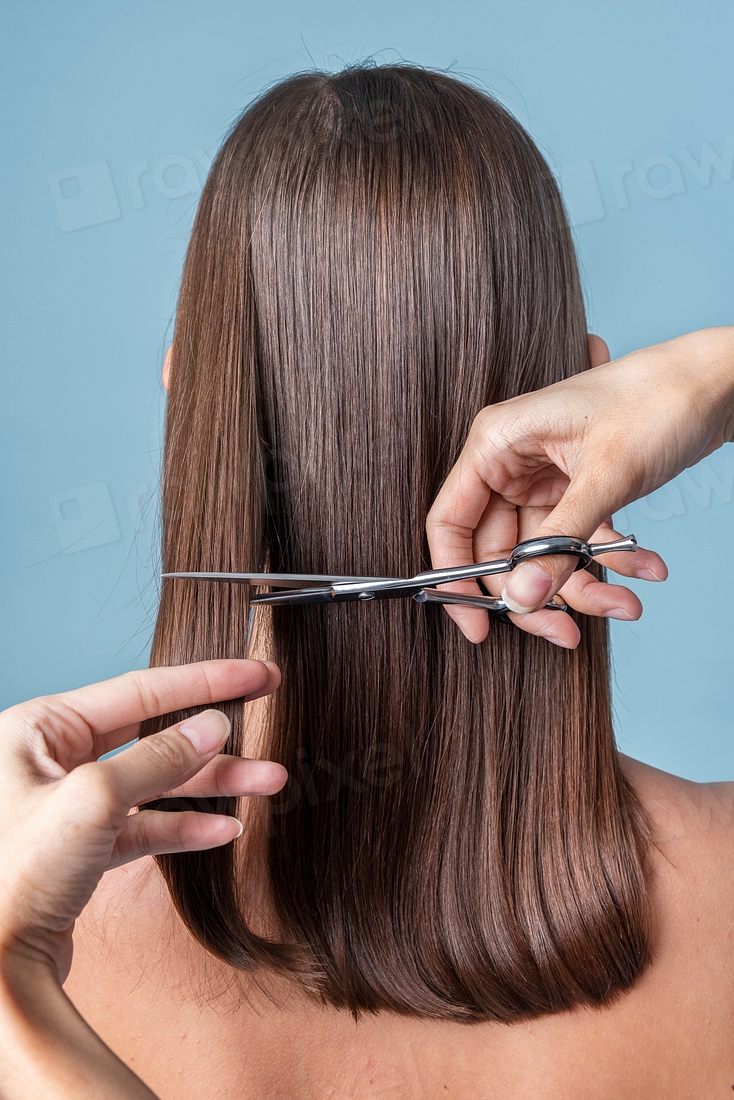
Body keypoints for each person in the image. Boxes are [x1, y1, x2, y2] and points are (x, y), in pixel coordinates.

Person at [2, 64, 734, 1098]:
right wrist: (715, 373)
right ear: (593, 380)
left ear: (184, 393)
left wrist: (8, 991)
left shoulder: (46, 940)